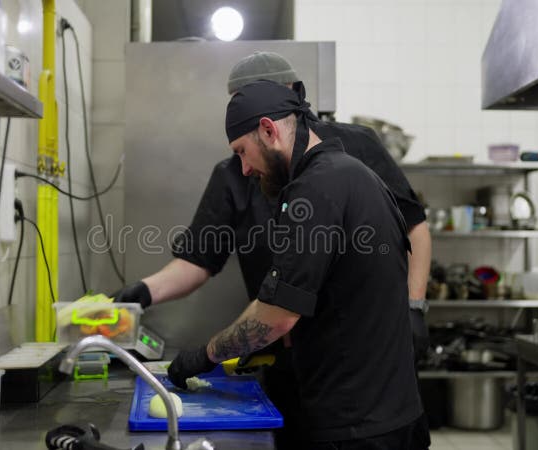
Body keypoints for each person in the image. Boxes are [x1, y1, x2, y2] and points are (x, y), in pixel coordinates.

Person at [114, 52, 432, 449]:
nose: (244, 167)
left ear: (270, 124)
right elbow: (202, 257)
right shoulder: (333, 171)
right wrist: (142, 292)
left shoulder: (320, 182)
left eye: (243, 150)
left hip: (355, 407)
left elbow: (278, 315)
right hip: (347, 387)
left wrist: (206, 355)